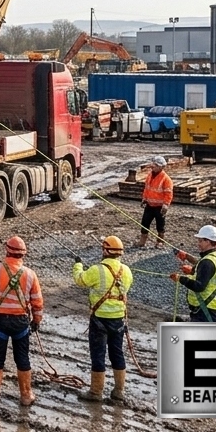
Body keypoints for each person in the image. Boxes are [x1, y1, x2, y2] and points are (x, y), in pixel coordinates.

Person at [0, 236, 44, 407]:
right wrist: (36, 319)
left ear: (7, 251)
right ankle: (26, 395)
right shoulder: (30, 274)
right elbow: (37, 300)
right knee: (22, 358)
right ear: (23, 255)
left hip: (1, 321)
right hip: (21, 322)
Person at [73, 235, 134, 402]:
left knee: (98, 354)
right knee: (117, 353)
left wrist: (78, 265)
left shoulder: (97, 269)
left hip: (99, 318)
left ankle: (95, 392)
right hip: (119, 319)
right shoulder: (127, 271)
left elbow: (80, 280)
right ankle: (119, 391)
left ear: (105, 251)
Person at [172, 225, 216, 322]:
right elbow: (209, 275)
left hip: (206, 308)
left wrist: (181, 279)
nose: (198, 244)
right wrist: (192, 271)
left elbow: (199, 286)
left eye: (201, 241)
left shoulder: (207, 262)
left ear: (208, 242)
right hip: (213, 306)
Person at [137, 156, 173, 248]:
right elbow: (147, 188)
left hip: (159, 207)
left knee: (160, 225)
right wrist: (144, 199)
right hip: (149, 205)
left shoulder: (166, 179)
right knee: (145, 223)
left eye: (155, 165)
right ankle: (142, 241)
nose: (153, 167)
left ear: (161, 167)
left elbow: (168, 193)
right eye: (153, 165)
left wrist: (165, 205)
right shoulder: (150, 175)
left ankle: (160, 242)